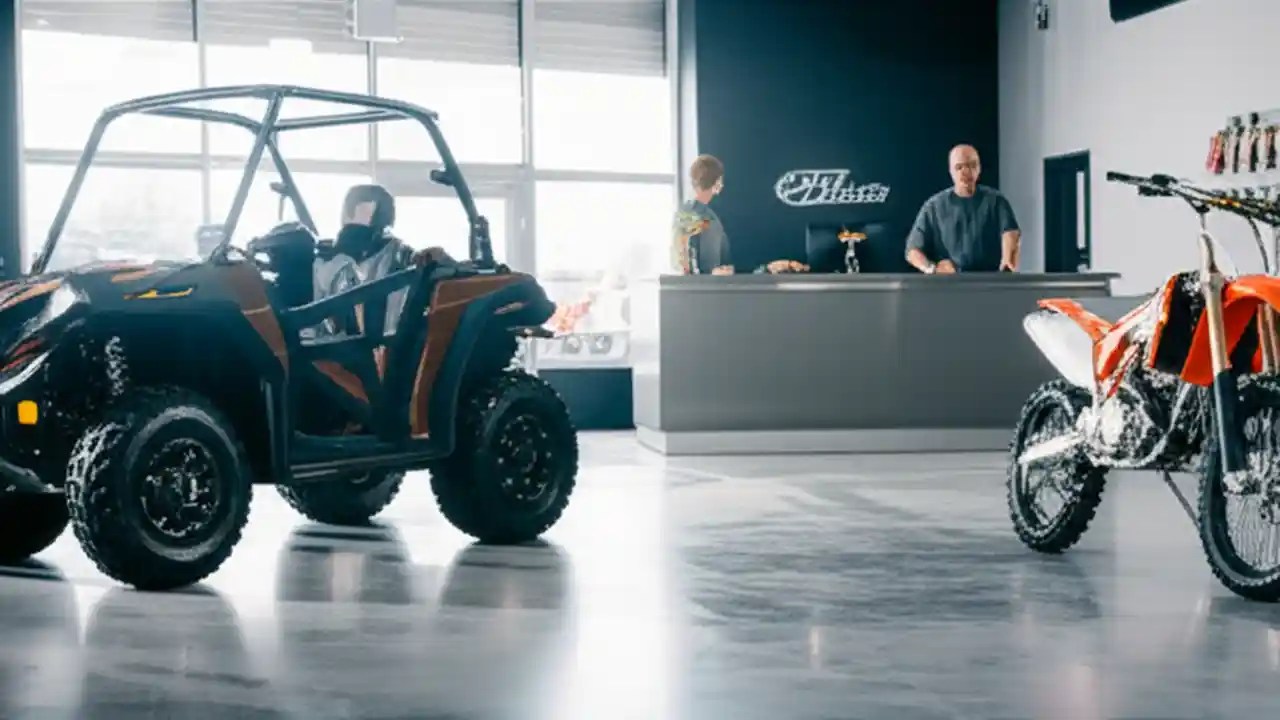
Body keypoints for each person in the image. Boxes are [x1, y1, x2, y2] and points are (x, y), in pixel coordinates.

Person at [904, 144, 1021, 274]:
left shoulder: (996, 201)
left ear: (979, 168)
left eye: (972, 165)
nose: (966, 172)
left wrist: (1007, 263)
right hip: (949, 286)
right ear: (951, 171)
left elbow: (1010, 232)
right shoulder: (933, 207)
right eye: (959, 167)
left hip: (988, 283)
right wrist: (932, 269)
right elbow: (912, 250)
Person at [670, 154, 733, 275]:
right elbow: (684, 254)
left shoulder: (686, 211)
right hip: (703, 286)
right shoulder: (703, 217)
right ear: (717, 181)